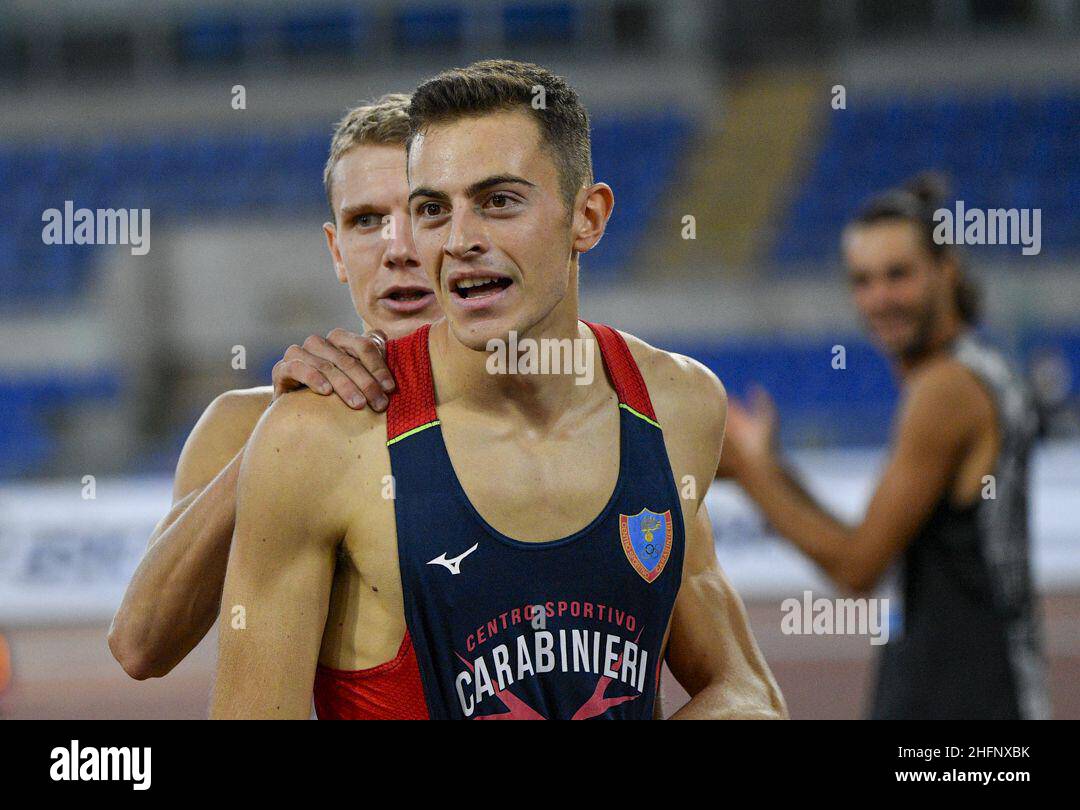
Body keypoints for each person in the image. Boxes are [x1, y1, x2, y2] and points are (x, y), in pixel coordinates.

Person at [210, 60, 785, 720]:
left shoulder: (677, 407)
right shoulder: (318, 440)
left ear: (588, 217)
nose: (459, 241)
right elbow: (156, 660)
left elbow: (748, 694)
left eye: (498, 201)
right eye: (433, 210)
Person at [108, 95, 436, 679]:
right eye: (366, 221)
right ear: (337, 252)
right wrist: (279, 435)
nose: (397, 250)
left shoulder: (582, 414)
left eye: (425, 212)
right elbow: (142, 645)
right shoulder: (245, 424)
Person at [722, 174, 1048, 720]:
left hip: (963, 705)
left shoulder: (944, 392)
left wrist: (750, 471)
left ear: (947, 272)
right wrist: (770, 466)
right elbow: (873, 540)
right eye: (863, 281)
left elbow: (857, 565)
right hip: (988, 692)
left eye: (898, 275)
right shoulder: (983, 370)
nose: (879, 298)